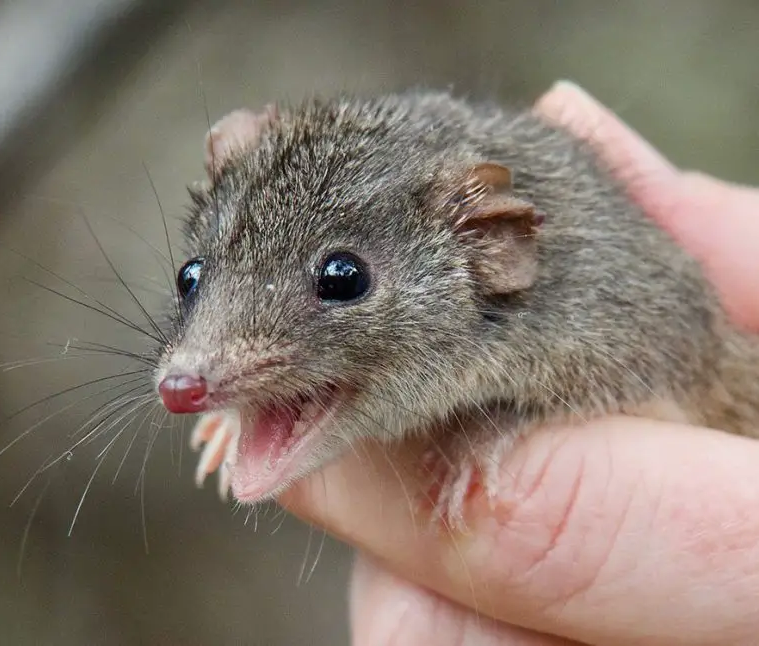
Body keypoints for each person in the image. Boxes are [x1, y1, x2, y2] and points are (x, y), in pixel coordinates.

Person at [280, 81, 759, 645]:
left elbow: (668, 345)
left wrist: (507, 419)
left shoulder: (600, 289)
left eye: (343, 280)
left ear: (489, 242)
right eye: (194, 280)